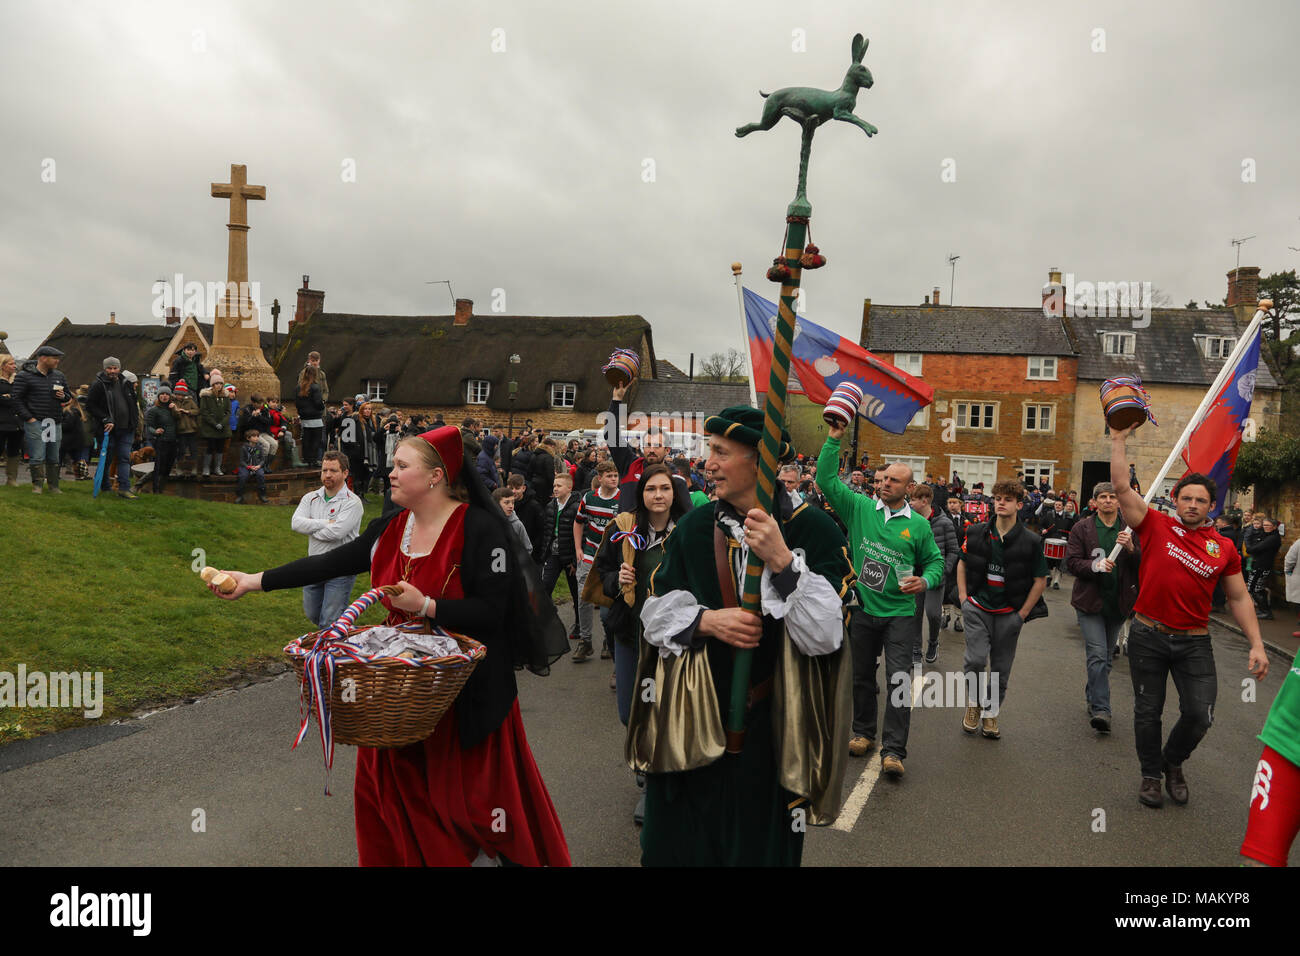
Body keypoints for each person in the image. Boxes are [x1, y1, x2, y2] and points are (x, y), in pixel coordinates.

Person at [207, 424, 570, 865]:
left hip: (466, 698)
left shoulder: (479, 530)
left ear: (435, 476)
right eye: (392, 464)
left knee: (478, 809)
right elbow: (332, 561)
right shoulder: (394, 526)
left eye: (402, 465)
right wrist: (254, 582)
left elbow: (495, 613)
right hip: (398, 697)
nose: (391, 472)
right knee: (396, 808)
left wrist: (429, 606)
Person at [636, 406, 853, 866]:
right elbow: (652, 615)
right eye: (707, 451)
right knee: (682, 847)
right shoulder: (695, 526)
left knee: (759, 848)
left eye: (719, 452)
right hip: (693, 721)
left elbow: (827, 637)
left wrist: (782, 561)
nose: (706, 463)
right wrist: (707, 621)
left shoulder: (813, 530)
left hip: (771, 734)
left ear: (761, 461)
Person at [1109, 423, 1269, 808]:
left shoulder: (1224, 547)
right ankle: (1150, 775)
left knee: (1201, 714)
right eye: (1186, 498)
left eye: (1201, 500)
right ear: (1175, 500)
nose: (1193, 505)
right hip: (1148, 633)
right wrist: (1118, 441)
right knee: (1147, 710)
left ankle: (1172, 761)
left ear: (1211, 506)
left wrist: (1258, 644)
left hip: (1195, 641)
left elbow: (1239, 597)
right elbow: (1121, 489)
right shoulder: (1154, 525)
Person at [817, 424, 943, 777]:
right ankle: (863, 733)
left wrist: (925, 580)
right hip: (863, 609)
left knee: (899, 681)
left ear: (909, 488)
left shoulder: (918, 526)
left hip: (901, 614)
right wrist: (834, 438)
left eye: (894, 481)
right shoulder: (859, 508)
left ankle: (894, 751)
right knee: (860, 677)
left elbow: (935, 561)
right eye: (883, 478)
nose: (885, 483)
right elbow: (826, 480)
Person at [594, 462, 689, 824]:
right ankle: (646, 758)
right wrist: (617, 580)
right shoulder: (623, 529)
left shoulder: (687, 531)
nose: (659, 495)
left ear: (674, 493)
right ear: (642, 493)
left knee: (660, 711)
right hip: (630, 633)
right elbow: (602, 572)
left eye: (665, 488)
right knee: (627, 712)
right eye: (651, 489)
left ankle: (652, 783)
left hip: (670, 641)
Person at [957, 480, 1048, 740]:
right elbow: (962, 564)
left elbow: (1040, 580)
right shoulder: (975, 532)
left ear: (1019, 505)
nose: (1000, 502)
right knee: (975, 660)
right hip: (977, 608)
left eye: (1007, 499)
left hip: (1009, 613)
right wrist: (964, 597)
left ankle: (991, 712)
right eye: (997, 498)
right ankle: (974, 703)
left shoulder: (1031, 541)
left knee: (1000, 669)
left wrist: (1021, 615)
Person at [1065, 482, 1139, 735]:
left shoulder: (1130, 529)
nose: (1108, 501)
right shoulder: (1082, 528)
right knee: (1097, 654)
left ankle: (1092, 693)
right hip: (1090, 602)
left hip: (1118, 603)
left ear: (1119, 502)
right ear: (1094, 501)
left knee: (1106, 659)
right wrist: (1094, 567)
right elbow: (1072, 562)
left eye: (1112, 497)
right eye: (1103, 497)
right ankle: (1102, 710)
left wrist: (1131, 548)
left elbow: (1145, 563)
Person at [290, 451, 363, 629]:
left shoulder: (352, 502)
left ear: (345, 473)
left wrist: (311, 530)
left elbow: (335, 534)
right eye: (324, 470)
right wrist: (326, 523)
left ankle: (332, 651)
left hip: (341, 568)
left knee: (330, 620)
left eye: (333, 470)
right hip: (314, 565)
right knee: (312, 613)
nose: (327, 475)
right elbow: (295, 523)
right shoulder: (310, 498)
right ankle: (343, 634)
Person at [573, 459, 621, 663]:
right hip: (590, 553)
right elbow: (578, 522)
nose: (613, 479)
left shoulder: (623, 498)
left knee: (607, 605)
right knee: (583, 597)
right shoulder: (589, 497)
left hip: (611, 559)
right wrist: (578, 548)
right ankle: (585, 641)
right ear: (599, 478)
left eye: (616, 476)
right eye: (609, 476)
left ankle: (608, 642)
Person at [910, 484, 959, 665]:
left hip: (936, 578)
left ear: (924, 501)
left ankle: (933, 642)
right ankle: (916, 647)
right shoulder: (910, 520)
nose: (910, 502)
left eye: (913, 499)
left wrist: (944, 569)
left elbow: (954, 550)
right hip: (915, 576)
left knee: (933, 614)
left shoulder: (944, 522)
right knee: (915, 614)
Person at [13, 346, 70, 494]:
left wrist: (63, 397)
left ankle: (54, 486)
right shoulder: (24, 376)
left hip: (55, 421)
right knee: (37, 454)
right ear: (43, 358)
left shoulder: (59, 375)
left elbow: (69, 396)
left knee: (54, 455)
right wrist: (29, 418)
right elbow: (16, 399)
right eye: (54, 358)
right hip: (35, 420)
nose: (58, 361)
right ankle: (37, 486)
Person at [85, 356, 137, 498]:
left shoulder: (126, 383)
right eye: (109, 368)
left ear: (119, 368)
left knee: (124, 458)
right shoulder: (98, 385)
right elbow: (90, 405)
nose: (112, 371)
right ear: (104, 368)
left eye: (115, 368)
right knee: (107, 459)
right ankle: (104, 485)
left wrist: (134, 424)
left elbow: (132, 403)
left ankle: (124, 488)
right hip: (108, 430)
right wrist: (105, 418)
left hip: (126, 428)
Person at [540, 472, 582, 641]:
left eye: (559, 486)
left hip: (570, 556)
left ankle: (580, 624)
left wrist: (574, 561)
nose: (555, 489)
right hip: (553, 554)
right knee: (545, 586)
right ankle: (547, 622)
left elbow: (581, 535)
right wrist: (544, 553)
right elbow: (547, 532)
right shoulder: (551, 506)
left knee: (575, 592)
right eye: (554, 486)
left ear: (569, 487)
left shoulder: (577, 506)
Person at [144, 385, 178, 494]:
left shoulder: (172, 408)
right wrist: (155, 431)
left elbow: (179, 419)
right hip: (161, 441)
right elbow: (149, 426)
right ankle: (156, 490)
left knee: (169, 466)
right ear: (158, 396)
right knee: (159, 466)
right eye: (162, 394)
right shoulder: (154, 410)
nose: (164, 396)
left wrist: (175, 409)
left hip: (173, 441)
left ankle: (162, 489)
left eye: (167, 394)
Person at [1245, 518, 1282, 620]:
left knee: (1253, 588)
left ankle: (1265, 611)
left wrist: (1251, 548)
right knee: (1257, 588)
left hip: (1262, 565)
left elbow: (1255, 548)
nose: (1265, 527)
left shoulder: (1273, 538)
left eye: (1267, 525)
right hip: (1259, 564)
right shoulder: (1267, 535)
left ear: (1274, 527)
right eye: (1264, 525)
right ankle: (1263, 610)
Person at [198, 373, 231, 477]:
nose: (219, 386)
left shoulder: (225, 396)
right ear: (213, 384)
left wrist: (222, 423)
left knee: (220, 448)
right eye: (216, 383)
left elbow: (228, 411)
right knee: (210, 447)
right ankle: (206, 468)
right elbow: (204, 411)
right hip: (210, 427)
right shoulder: (206, 396)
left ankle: (217, 467)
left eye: (220, 384)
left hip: (222, 427)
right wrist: (214, 423)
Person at [295, 366, 326, 468]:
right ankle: (313, 460)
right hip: (315, 418)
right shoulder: (315, 387)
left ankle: (306, 459)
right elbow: (318, 403)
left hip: (304, 418)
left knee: (306, 440)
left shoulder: (298, 387)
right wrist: (322, 405)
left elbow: (297, 403)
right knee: (316, 440)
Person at [0, 354, 22, 487]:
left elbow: (22, 398)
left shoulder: (18, 381)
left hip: (16, 423)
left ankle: (11, 479)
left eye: (14, 363)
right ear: (2, 366)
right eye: (11, 364)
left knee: (15, 451)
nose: (15, 366)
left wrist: (7, 397)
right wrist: (9, 398)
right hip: (1, 422)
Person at [169, 379, 200, 475]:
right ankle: (179, 468)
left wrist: (188, 412)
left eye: (182, 395)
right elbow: (175, 416)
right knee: (181, 450)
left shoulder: (190, 401)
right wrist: (176, 410)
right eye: (178, 394)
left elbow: (197, 411)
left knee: (193, 450)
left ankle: (194, 468)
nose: (180, 396)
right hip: (181, 431)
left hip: (192, 430)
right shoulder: (173, 402)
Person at [493, 486, 533, 554]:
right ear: (496, 504)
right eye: (506, 502)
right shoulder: (487, 522)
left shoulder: (517, 524)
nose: (511, 506)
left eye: (513, 502)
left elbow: (528, 548)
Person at [235, 426, 268, 504]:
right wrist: (248, 466)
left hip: (257, 466)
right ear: (248, 438)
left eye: (257, 436)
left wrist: (259, 466)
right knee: (243, 476)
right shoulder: (244, 448)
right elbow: (241, 461)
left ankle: (262, 494)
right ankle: (240, 495)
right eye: (254, 436)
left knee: (260, 475)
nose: (256, 438)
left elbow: (263, 460)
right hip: (245, 466)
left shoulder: (259, 448)